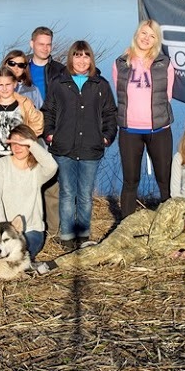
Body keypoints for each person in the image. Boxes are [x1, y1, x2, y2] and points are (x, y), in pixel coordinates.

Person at [39, 183, 185, 272]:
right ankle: (50, 265)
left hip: (147, 247)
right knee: (105, 250)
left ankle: (89, 252)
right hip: (137, 228)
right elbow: (157, 240)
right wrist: (177, 254)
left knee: (119, 258)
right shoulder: (175, 205)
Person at [42, 41, 117, 251]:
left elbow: (110, 113)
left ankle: (83, 235)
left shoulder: (100, 84)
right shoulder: (59, 83)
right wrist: (49, 134)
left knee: (84, 194)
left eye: (86, 56)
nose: (82, 60)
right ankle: (66, 235)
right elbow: (48, 110)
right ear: (71, 58)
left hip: (90, 148)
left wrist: (106, 137)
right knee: (67, 192)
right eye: (77, 56)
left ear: (91, 59)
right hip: (63, 147)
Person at [112, 19, 175, 218]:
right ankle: (126, 226)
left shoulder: (164, 63)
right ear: (136, 34)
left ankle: (168, 223)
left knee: (165, 180)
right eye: (143, 33)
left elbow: (168, 95)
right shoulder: (120, 63)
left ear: (157, 40)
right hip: (130, 131)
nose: (146, 38)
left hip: (158, 129)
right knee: (131, 181)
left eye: (152, 35)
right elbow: (120, 93)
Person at [0, 125, 59, 260]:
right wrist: (6, 229)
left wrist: (32, 144)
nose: (17, 147)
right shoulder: (0, 165)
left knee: (19, 257)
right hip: (4, 232)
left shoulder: (37, 170)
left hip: (32, 230)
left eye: (22, 142)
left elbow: (52, 166)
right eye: (13, 143)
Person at [27, 26, 67, 238]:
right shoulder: (20, 66)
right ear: (31, 44)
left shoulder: (60, 70)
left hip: (51, 129)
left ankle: (53, 230)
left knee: (51, 179)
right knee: (28, 179)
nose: (45, 48)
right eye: (40, 43)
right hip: (26, 131)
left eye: (48, 44)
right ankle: (31, 226)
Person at [0, 68, 44, 168]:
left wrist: (27, 142)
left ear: (14, 84)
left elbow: (38, 123)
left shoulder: (25, 103)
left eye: (8, 85)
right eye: (1, 85)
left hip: (21, 158)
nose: (4, 89)